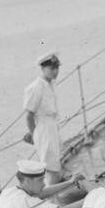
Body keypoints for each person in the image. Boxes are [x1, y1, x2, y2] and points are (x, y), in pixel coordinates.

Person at [22, 52, 62, 183]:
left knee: (54, 167)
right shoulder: (36, 87)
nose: (55, 71)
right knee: (51, 169)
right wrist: (35, 136)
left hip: (51, 127)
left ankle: (51, 197)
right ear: (43, 69)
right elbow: (29, 116)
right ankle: (50, 199)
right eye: (52, 68)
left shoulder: (49, 85)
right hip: (44, 129)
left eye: (57, 68)